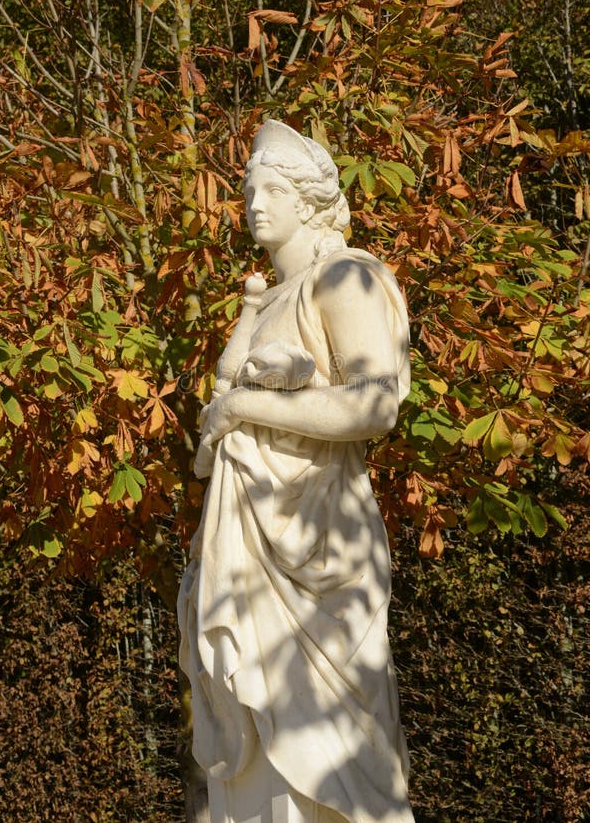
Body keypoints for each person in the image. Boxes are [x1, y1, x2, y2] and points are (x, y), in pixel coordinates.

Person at [178, 120, 414, 822]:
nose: (254, 202)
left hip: (318, 550)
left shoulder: (347, 276)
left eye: (272, 188)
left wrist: (246, 404)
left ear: (309, 200)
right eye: (249, 188)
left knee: (331, 749)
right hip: (248, 545)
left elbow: (375, 406)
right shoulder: (270, 300)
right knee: (250, 743)